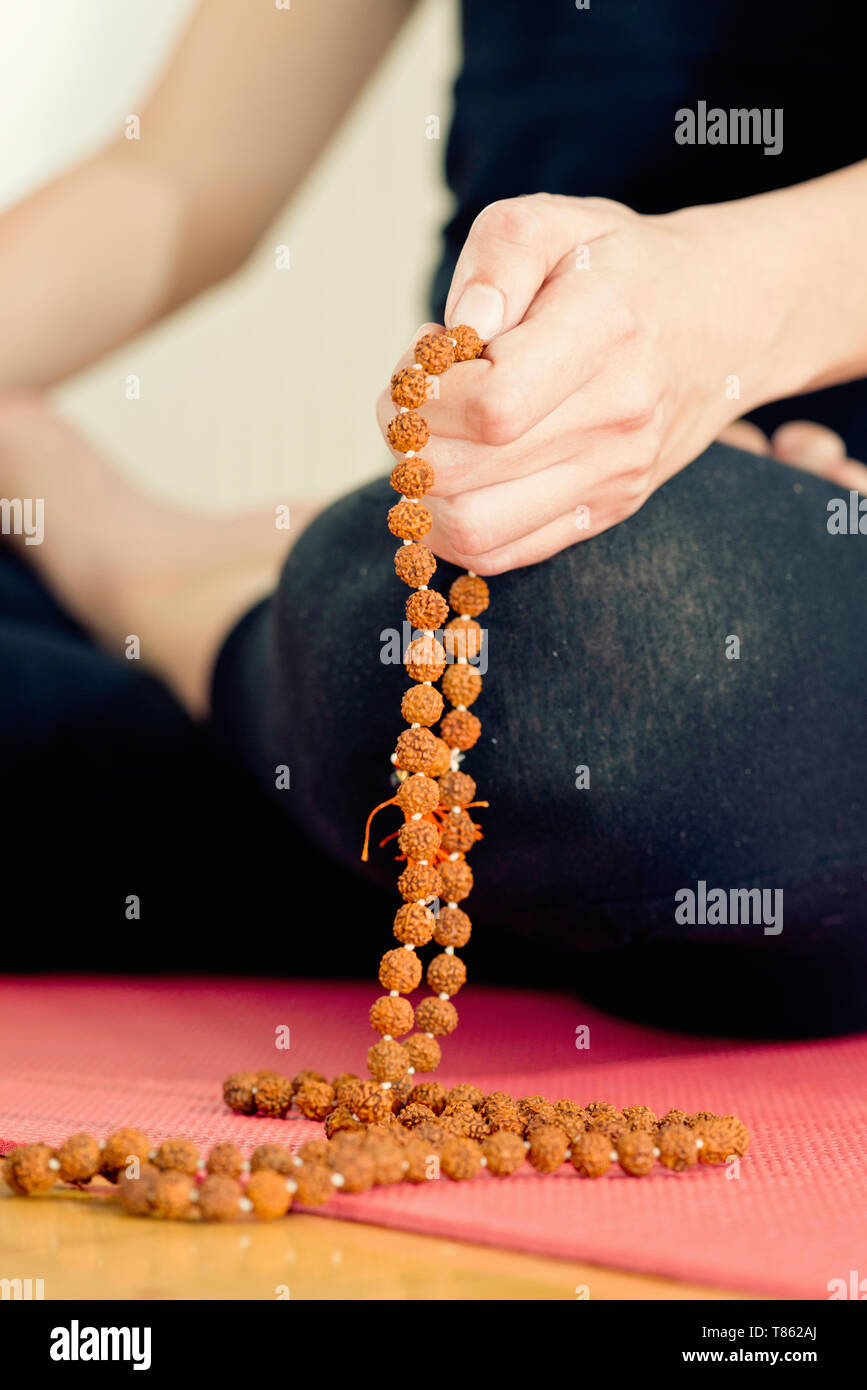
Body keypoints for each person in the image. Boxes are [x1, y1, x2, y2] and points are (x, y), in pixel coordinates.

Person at [2, 0, 865, 1034]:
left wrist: (735, 314)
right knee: (481, 668)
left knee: (613, 647)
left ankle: (166, 575)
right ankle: (335, 733)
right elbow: (174, 184)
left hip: (738, 599)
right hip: (456, 597)